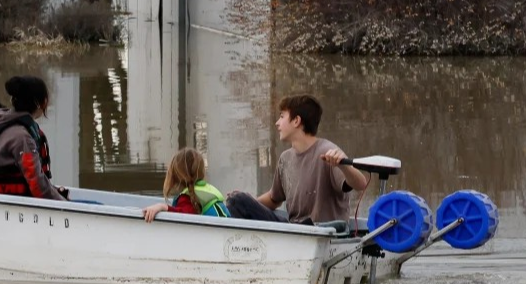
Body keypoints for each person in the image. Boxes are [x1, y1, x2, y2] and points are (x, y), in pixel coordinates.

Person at [227, 94, 370, 225]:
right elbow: (273, 198)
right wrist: (248, 204)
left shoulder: (327, 152)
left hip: (321, 232)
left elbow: (361, 184)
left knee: (237, 200)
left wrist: (344, 165)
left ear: (296, 121)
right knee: (237, 201)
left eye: (282, 116)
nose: (277, 123)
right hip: (294, 231)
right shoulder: (285, 158)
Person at [0, 75, 69, 200]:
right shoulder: (22, 137)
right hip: (15, 207)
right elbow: (38, 186)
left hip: (0, 201)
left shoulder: (0, 124)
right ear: (41, 103)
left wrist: (56, 191)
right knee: (91, 204)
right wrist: (65, 203)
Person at [142, 147, 230, 221]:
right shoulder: (207, 190)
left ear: (175, 176)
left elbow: (184, 216)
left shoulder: (187, 197)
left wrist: (163, 207)